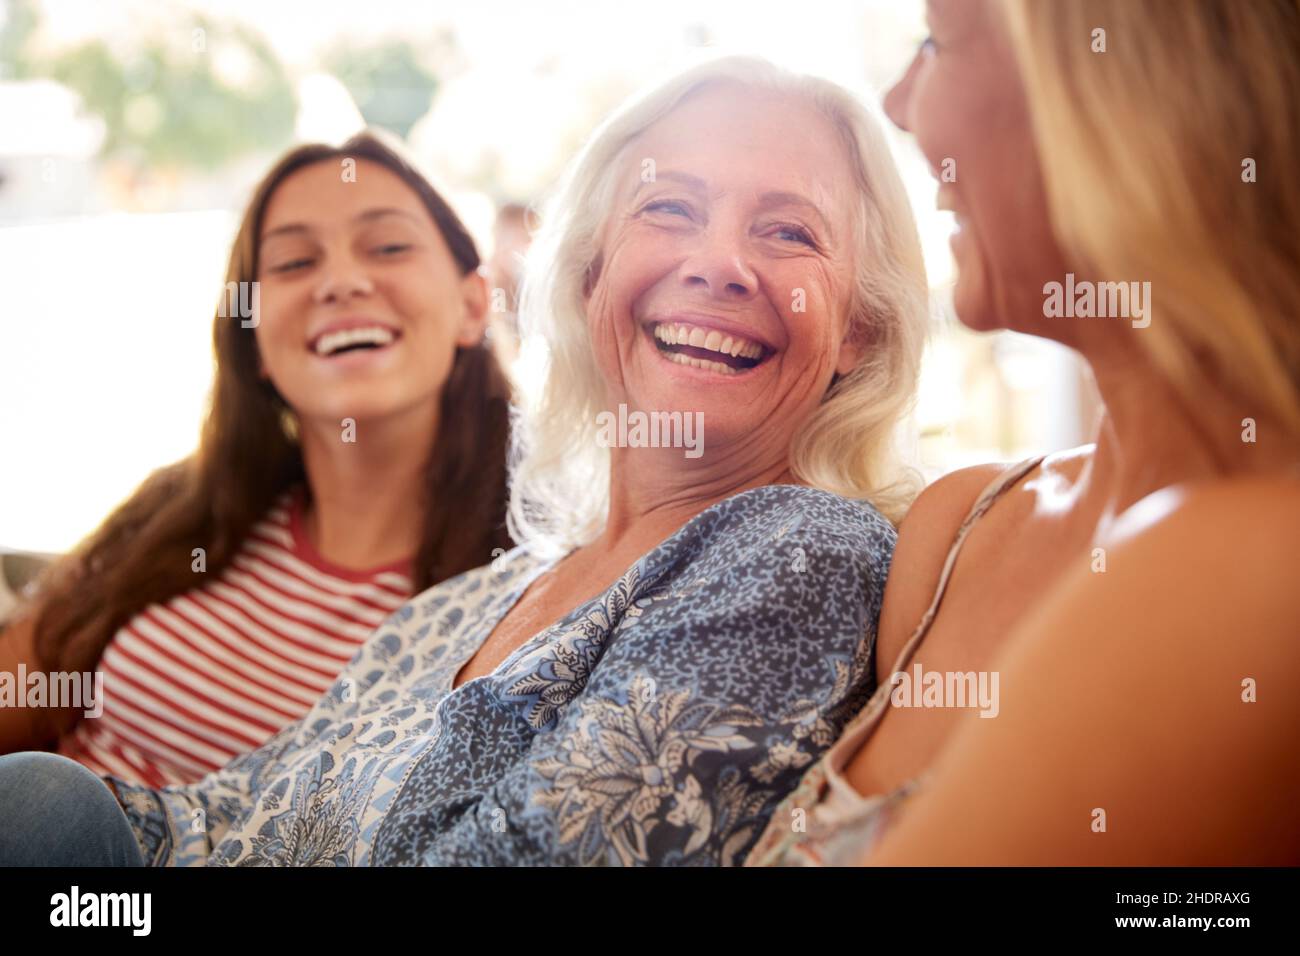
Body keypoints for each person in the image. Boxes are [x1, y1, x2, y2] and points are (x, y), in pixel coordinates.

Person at [0, 55, 928, 866]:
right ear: (589, 276)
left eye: (790, 231)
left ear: (860, 327)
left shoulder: (800, 554)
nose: (720, 263)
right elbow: (224, 816)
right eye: (670, 207)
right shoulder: (491, 592)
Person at [748, 0, 1300, 866]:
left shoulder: (1252, 561)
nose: (897, 101)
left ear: (1122, 89)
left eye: (938, 41)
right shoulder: (960, 526)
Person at [0, 131, 512, 786]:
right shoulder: (181, 508)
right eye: (295, 263)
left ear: (473, 305)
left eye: (387, 246)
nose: (342, 282)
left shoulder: (525, 586)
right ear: (258, 343)